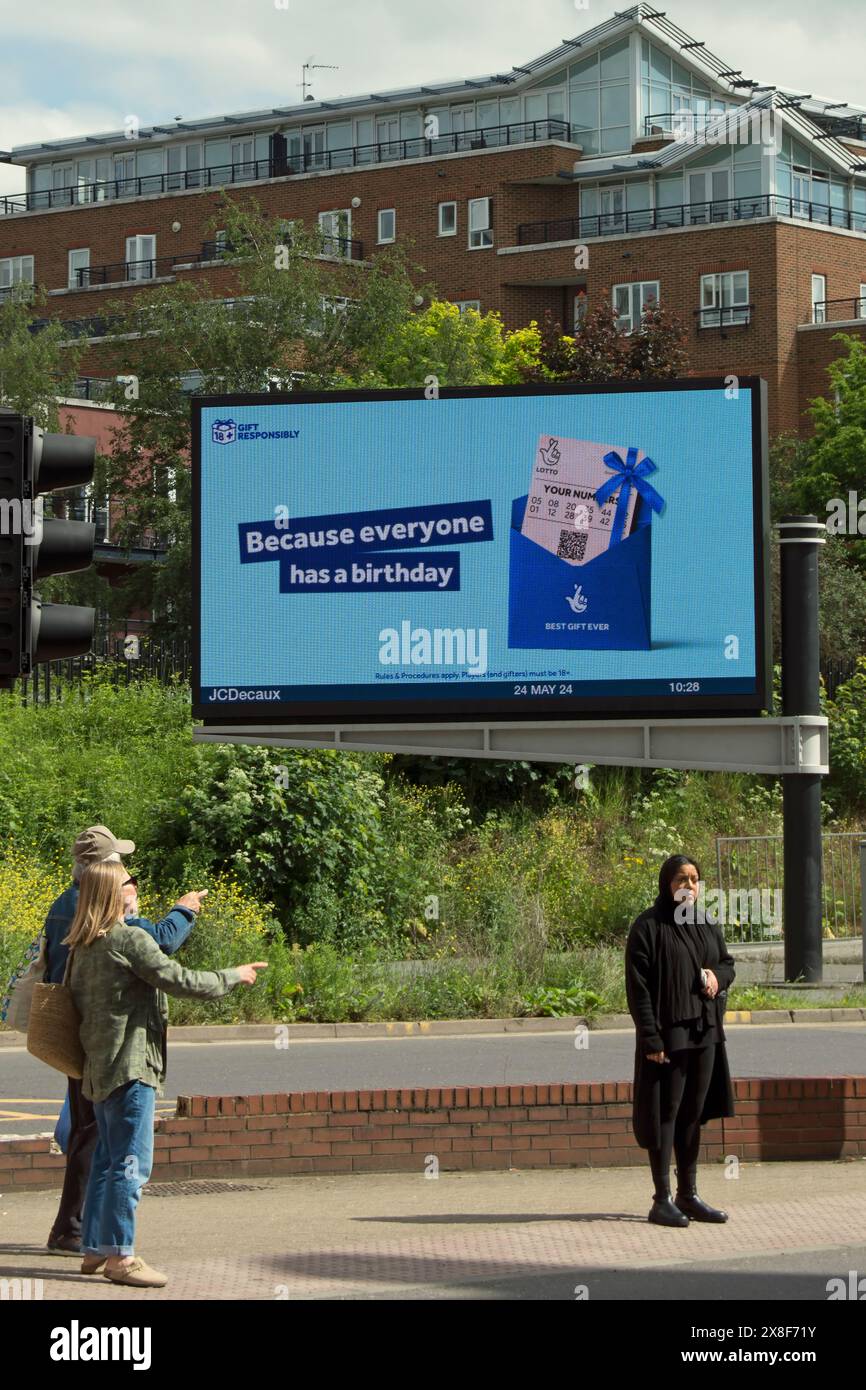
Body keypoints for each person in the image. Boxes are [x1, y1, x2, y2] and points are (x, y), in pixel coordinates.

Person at [64, 859, 267, 1288]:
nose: (135, 885)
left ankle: (95, 1249)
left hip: (97, 1068)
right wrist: (232, 976)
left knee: (106, 1160)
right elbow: (179, 979)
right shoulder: (129, 939)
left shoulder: (82, 946)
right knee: (131, 1166)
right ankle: (122, 1258)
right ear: (111, 893)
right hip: (131, 1067)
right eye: (128, 882)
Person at [44, 824, 208, 1256]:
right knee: (95, 1135)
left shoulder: (65, 903)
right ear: (99, 868)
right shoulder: (96, 907)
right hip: (107, 1039)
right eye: (117, 860)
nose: (124, 868)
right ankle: (81, 1235)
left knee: (87, 1127)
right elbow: (157, 948)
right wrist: (182, 911)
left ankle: (82, 1233)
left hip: (79, 1029)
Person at [625, 854, 736, 1228]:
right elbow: (637, 990)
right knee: (665, 1114)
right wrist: (651, 1038)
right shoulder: (648, 927)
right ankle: (661, 1199)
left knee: (693, 1113)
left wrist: (716, 977)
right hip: (667, 1037)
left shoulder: (706, 923)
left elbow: (727, 963)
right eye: (680, 880)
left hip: (704, 1032)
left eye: (693, 879)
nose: (688, 886)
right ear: (666, 885)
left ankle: (688, 1195)